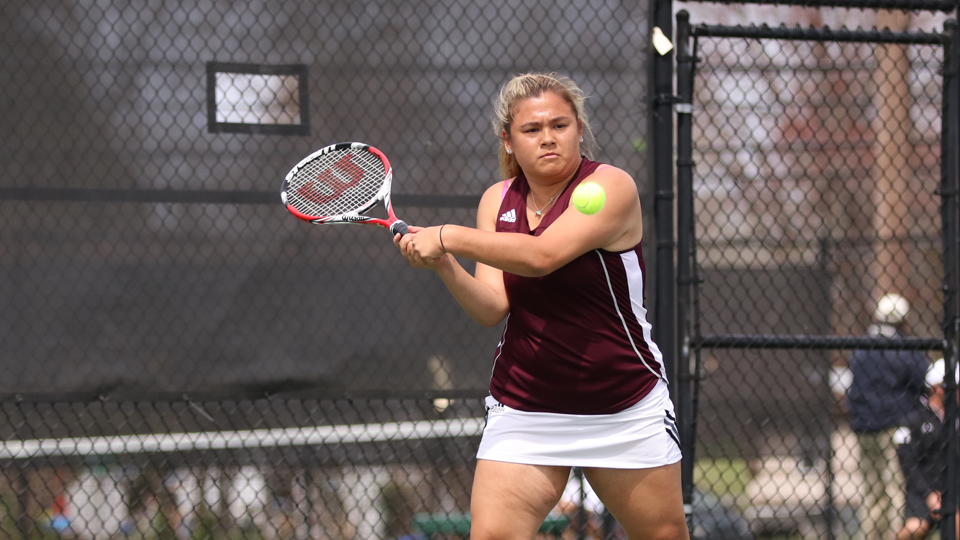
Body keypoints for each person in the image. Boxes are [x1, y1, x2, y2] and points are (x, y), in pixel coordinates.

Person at [394, 72, 688, 540]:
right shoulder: (498, 200)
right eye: (532, 130)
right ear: (508, 141)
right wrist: (445, 265)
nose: (548, 138)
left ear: (579, 129)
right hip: (527, 406)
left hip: (622, 403)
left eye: (560, 125)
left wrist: (447, 234)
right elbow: (493, 306)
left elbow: (542, 257)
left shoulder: (611, 187)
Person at [847, 293, 928, 540]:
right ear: (902, 320)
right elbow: (923, 378)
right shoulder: (903, 349)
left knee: (872, 494)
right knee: (895, 491)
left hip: (863, 428)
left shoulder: (861, 349)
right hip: (893, 427)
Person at [895, 358, 957, 540]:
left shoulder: (955, 419)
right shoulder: (915, 420)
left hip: (954, 489)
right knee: (916, 527)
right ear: (936, 388)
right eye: (951, 387)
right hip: (923, 491)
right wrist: (930, 493)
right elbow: (908, 462)